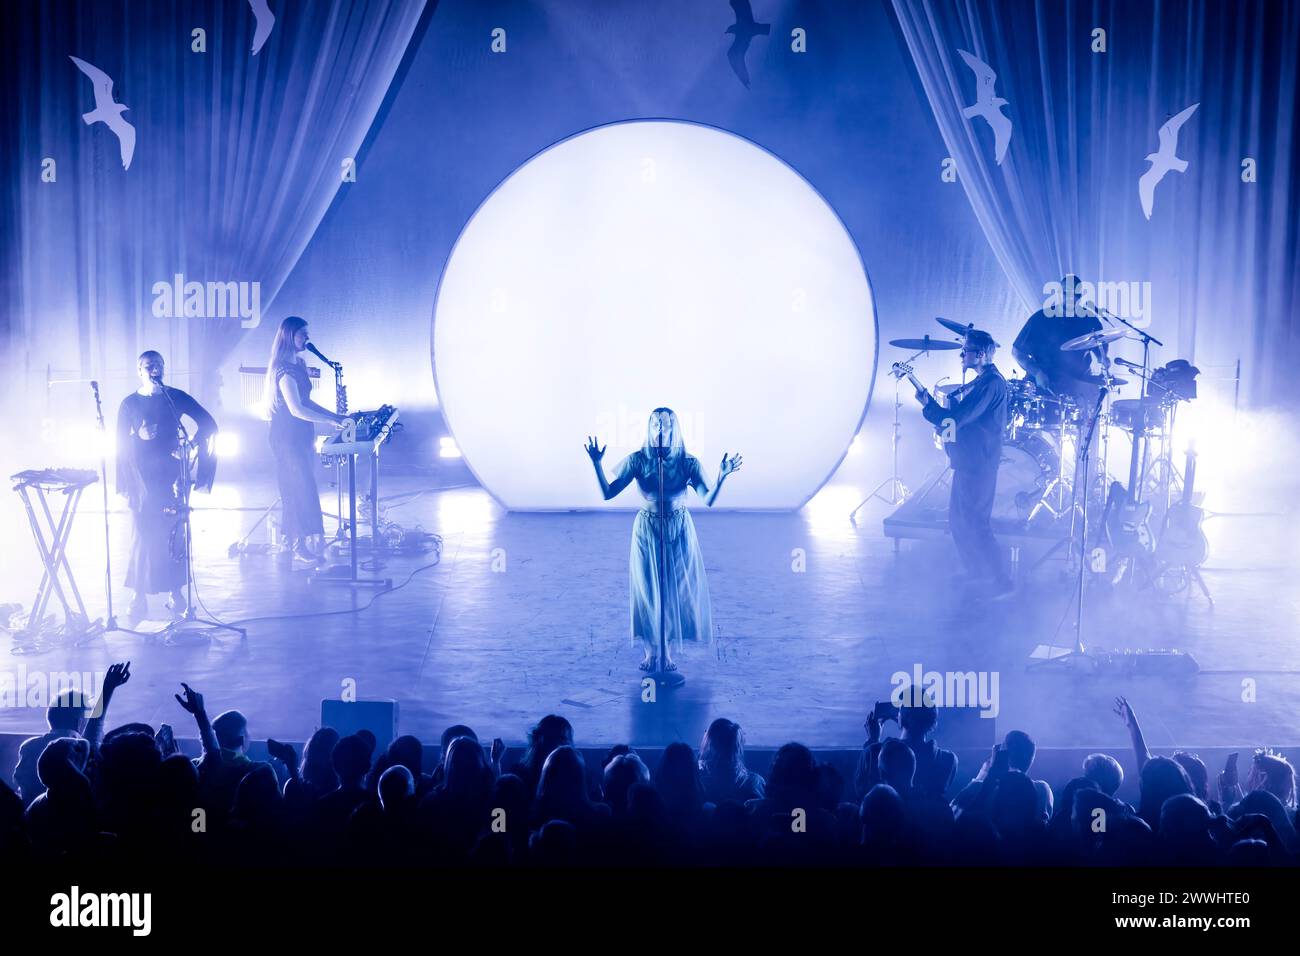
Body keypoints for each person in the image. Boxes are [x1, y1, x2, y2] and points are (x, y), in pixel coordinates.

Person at [586, 408, 742, 671]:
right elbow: (607, 493)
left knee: (672, 590)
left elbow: (709, 499)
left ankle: (666, 651)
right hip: (647, 529)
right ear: (648, 427)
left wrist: (721, 478)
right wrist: (596, 464)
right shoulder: (638, 460)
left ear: (674, 428)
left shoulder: (687, 462)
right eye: (655, 422)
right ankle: (650, 651)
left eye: (665, 423)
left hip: (678, 528)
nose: (660, 427)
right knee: (648, 590)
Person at [116, 351, 217, 623]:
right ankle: (138, 595)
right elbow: (118, 444)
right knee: (143, 535)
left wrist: (191, 444)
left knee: (173, 534)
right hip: (141, 479)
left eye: (159, 365)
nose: (155, 370)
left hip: (171, 476)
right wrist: (137, 436)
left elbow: (207, 422)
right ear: (139, 370)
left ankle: (176, 593)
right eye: (149, 366)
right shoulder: (129, 403)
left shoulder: (175, 397)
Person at [912, 330, 1012, 595]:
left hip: (979, 462)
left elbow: (959, 419)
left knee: (977, 523)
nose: (961, 355)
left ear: (979, 355)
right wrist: (931, 406)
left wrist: (930, 408)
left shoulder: (991, 384)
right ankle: (977, 572)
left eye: (965, 350)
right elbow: (958, 418)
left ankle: (1003, 581)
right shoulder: (983, 382)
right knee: (959, 521)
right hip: (969, 460)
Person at [263, 316, 349, 566]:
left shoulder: (298, 364)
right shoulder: (283, 370)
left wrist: (334, 416)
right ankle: (297, 543)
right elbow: (297, 409)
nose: (307, 339)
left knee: (301, 486)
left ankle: (293, 542)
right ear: (290, 336)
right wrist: (331, 422)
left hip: (300, 436)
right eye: (303, 334)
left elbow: (307, 401)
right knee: (296, 488)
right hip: (286, 437)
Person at [1011, 274, 1112, 403]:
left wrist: (1104, 361)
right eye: (1066, 293)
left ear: (1081, 296)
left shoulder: (1090, 321)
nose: (1071, 298)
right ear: (1059, 293)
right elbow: (1017, 352)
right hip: (1044, 387)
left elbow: (1100, 354)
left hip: (1078, 388)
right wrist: (1037, 372)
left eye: (1076, 295)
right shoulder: (1040, 318)